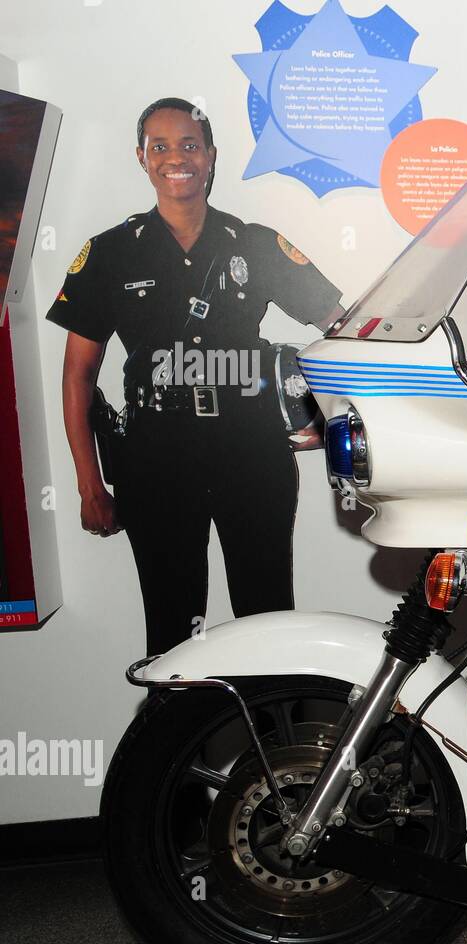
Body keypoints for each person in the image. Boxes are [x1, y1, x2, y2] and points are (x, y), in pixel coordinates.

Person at [49, 97, 342, 656]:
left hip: (251, 450)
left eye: (189, 145)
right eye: (159, 146)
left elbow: (341, 329)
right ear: (141, 158)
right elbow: (77, 375)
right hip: (155, 458)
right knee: (171, 629)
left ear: (210, 156)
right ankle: (180, 717)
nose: (175, 158)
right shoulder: (110, 253)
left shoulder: (256, 244)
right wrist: (89, 485)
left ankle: (277, 718)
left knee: (267, 616)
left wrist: (326, 415)